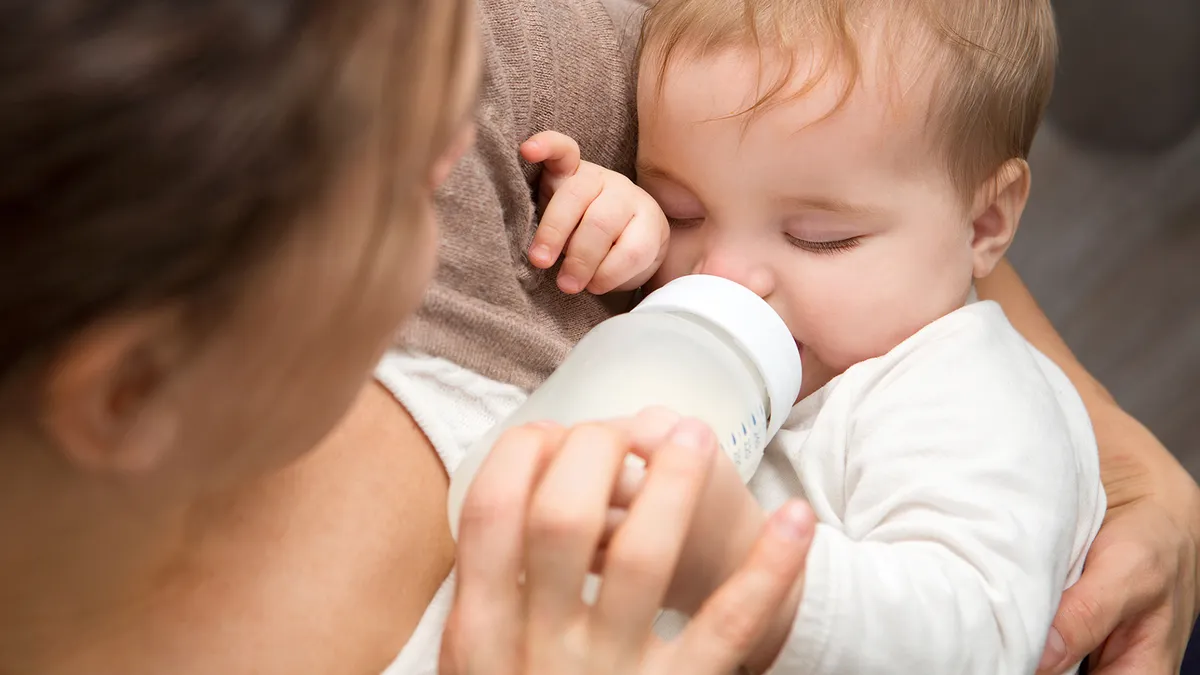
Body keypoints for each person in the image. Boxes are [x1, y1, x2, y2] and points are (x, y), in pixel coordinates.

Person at [364, 0, 1199, 673]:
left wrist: (745, 567)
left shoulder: (971, 402)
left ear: (984, 223)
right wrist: (621, 226)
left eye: (817, 237)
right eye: (685, 207)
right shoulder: (745, 309)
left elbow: (980, 635)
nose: (724, 274)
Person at [0, 1, 811, 674]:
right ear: (136, 390)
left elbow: (851, 77)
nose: (464, 157)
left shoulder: (394, 49)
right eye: (415, 185)